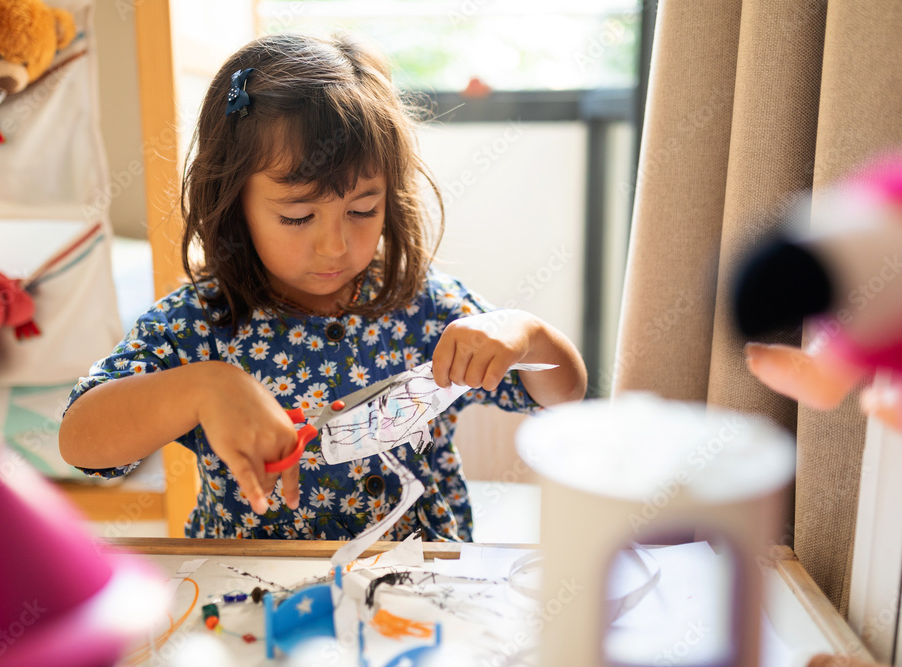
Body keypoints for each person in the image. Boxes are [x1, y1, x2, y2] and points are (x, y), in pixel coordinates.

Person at [59, 32, 586, 540]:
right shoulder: (200, 324)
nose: (335, 246)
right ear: (234, 202)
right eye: (297, 216)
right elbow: (81, 441)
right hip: (259, 600)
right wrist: (202, 387)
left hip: (421, 589)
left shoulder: (423, 305)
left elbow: (565, 397)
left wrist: (526, 332)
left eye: (362, 210)